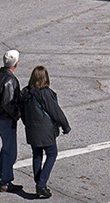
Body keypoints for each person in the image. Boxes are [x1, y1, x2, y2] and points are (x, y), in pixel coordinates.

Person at [20, 66, 70, 199]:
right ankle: (41, 184)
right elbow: (55, 112)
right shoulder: (45, 93)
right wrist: (65, 126)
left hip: (32, 130)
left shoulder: (25, 93)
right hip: (46, 131)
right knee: (52, 154)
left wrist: (28, 125)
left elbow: (22, 113)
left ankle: (39, 183)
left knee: (37, 156)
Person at [0, 50, 22, 193]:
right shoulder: (10, 80)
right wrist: (17, 114)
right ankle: (6, 182)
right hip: (6, 119)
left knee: (6, 147)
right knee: (11, 152)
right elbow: (8, 102)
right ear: (16, 63)